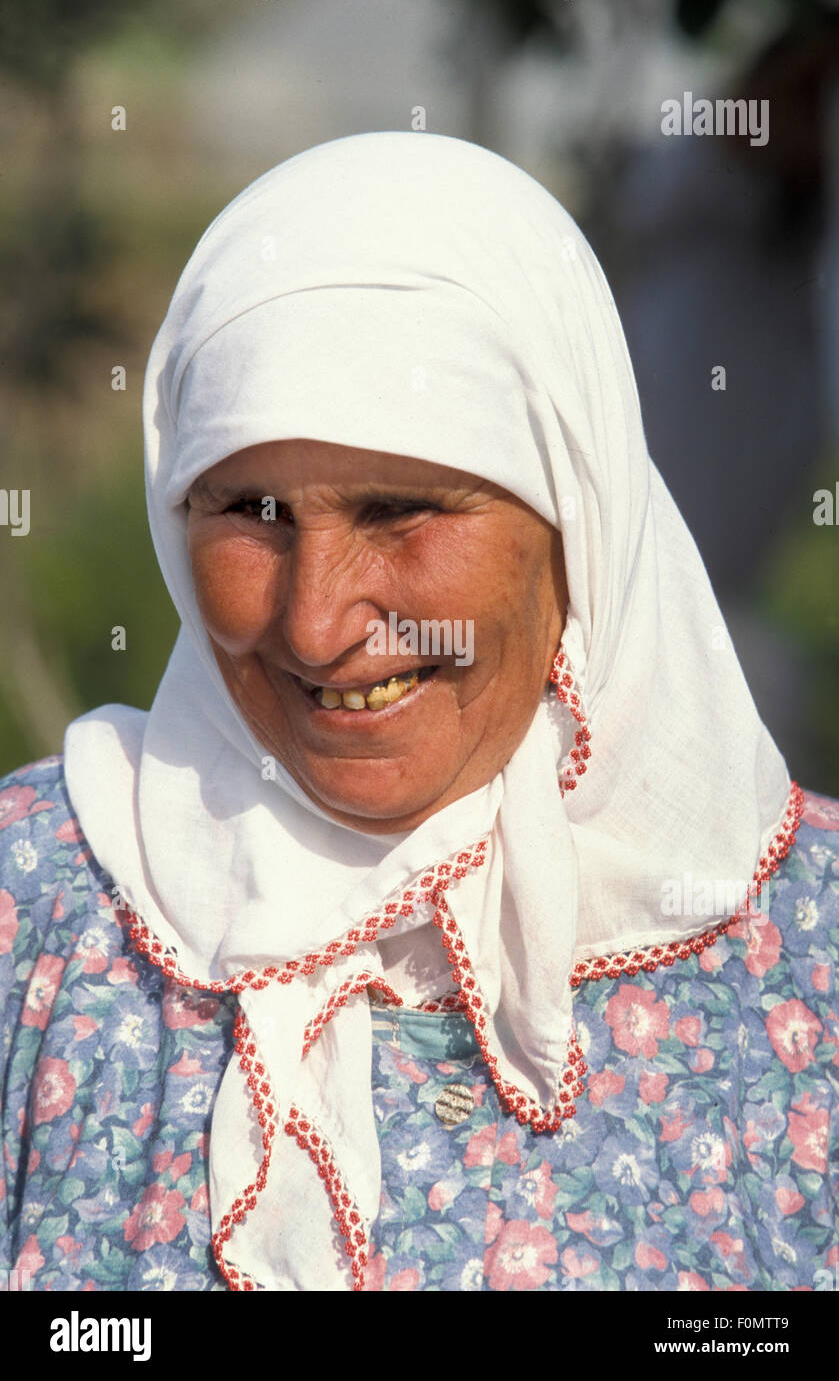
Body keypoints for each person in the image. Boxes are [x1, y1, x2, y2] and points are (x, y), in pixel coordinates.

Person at [1, 131, 836, 1293]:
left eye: (401, 509)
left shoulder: (803, 956)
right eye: (249, 508)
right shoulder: (45, 909)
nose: (315, 623)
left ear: (574, 512)